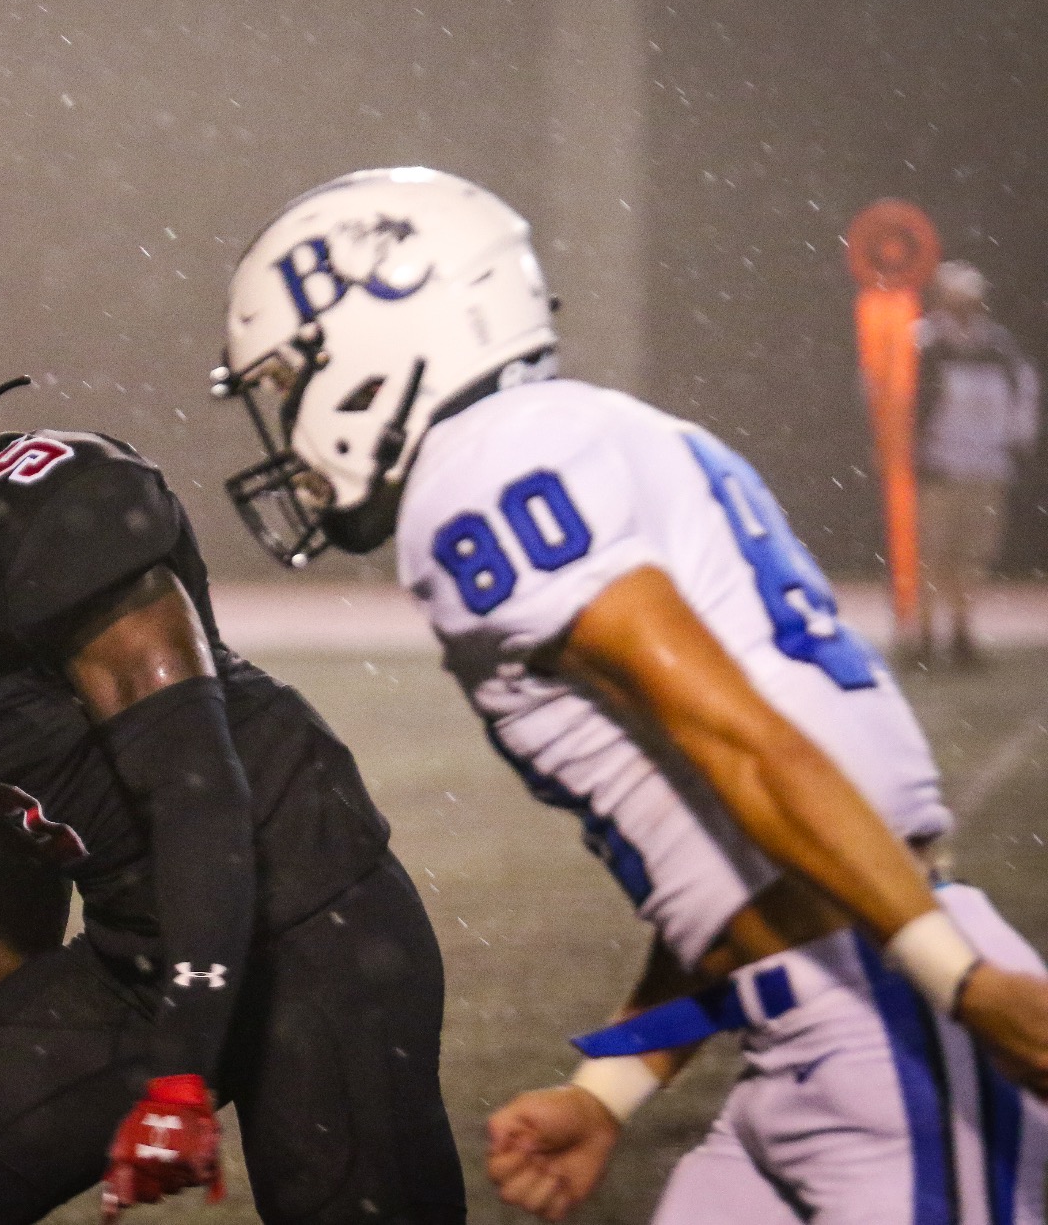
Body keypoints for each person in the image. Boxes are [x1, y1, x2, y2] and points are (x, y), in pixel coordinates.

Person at [213, 167, 1048, 1224]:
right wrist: (612, 1086)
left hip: (891, 1028)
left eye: (291, 383)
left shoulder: (478, 473)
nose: (287, 427)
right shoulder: (579, 430)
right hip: (818, 1023)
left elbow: (745, 745)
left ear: (371, 347)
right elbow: (733, 848)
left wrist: (963, 984)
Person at [0, 252, 465, 1224]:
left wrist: (181, 1072)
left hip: (305, 917)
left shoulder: (51, 511)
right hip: (142, 944)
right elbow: (10, 835)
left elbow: (197, 790)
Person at [912, 259, 1039, 666]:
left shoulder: (998, 347)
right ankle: (927, 634)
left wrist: (1016, 445)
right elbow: (895, 400)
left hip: (985, 469)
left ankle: (962, 630)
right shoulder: (925, 344)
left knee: (972, 555)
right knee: (932, 553)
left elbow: (1024, 396)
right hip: (939, 468)